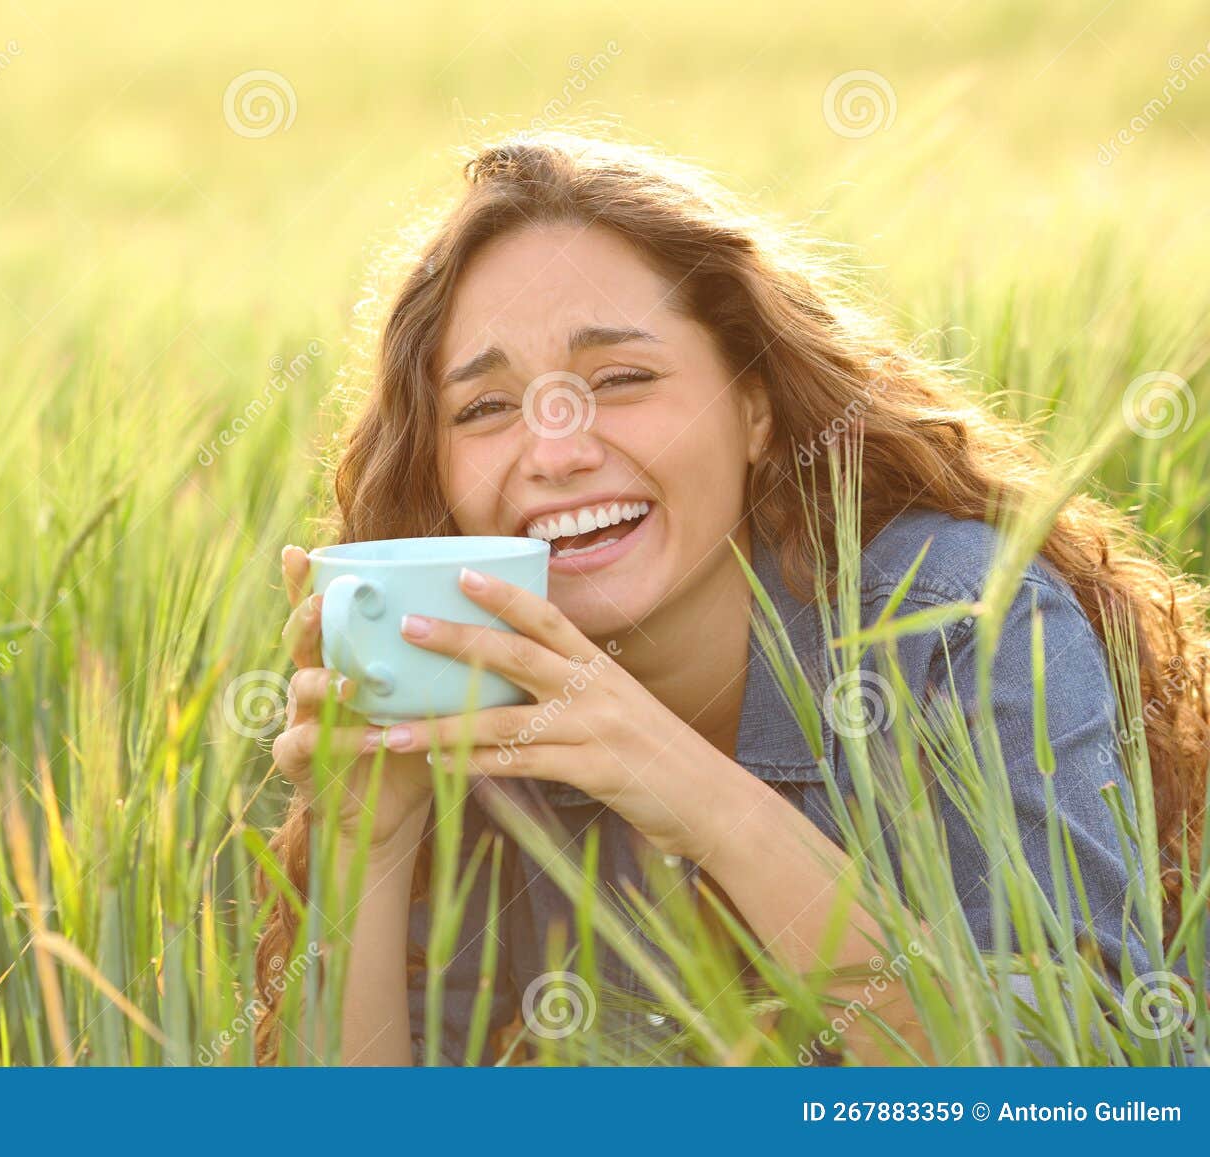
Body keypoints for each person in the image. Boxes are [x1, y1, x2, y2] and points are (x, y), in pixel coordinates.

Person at [254, 132, 1209, 1066]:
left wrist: (695, 793)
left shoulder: (955, 620)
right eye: (487, 408)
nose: (554, 450)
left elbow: (1080, 1084)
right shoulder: (470, 705)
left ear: (754, 407)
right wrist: (366, 854)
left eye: (621, 379)